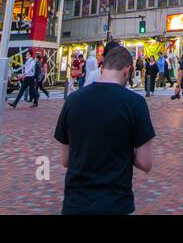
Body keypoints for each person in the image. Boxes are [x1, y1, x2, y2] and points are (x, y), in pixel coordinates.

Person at [54, 44, 156, 214]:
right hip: (116, 203)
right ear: (127, 70)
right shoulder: (135, 103)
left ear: (103, 68)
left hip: (75, 204)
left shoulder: (73, 101)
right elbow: (145, 163)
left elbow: (65, 159)